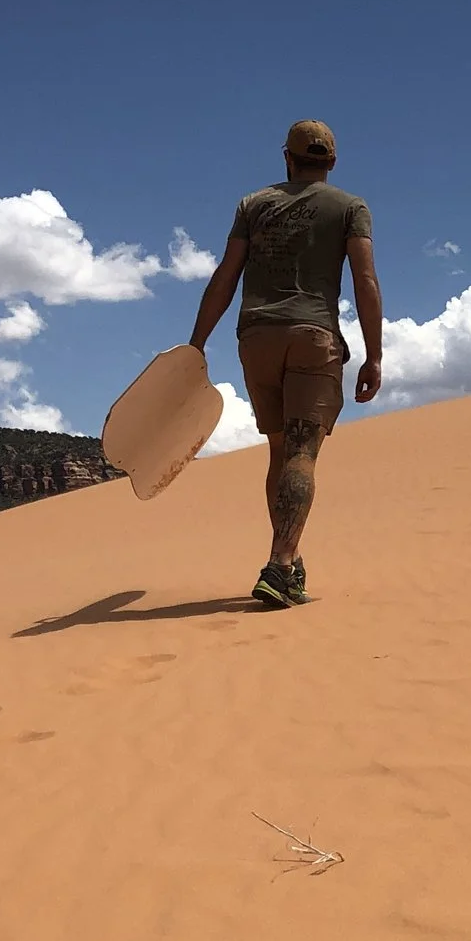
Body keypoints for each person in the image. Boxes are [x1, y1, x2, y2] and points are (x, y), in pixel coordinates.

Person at [187, 119, 384, 609]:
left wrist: (196, 344)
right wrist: (374, 353)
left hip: (256, 336)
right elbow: (365, 280)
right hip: (313, 337)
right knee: (303, 453)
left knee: (279, 450)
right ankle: (279, 563)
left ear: (287, 157)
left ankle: (290, 566)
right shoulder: (350, 208)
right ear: (332, 162)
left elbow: (225, 276)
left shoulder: (253, 205)